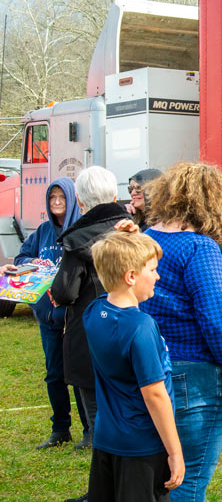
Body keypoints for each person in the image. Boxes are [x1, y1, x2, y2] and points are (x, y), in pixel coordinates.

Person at [138, 162, 222, 502]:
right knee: (188, 478)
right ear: (212, 203)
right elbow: (215, 319)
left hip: (155, 369)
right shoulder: (198, 248)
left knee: (165, 472)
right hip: (198, 377)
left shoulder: (147, 240)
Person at [51, 166, 133, 502]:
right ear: (115, 197)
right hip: (130, 330)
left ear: (81, 203)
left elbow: (66, 292)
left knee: (100, 420)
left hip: (90, 334)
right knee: (127, 416)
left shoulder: (77, 240)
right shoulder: (133, 231)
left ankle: (103, 493)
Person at [85, 230, 184, 501]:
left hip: (107, 438)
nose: (158, 276)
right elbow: (154, 394)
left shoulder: (93, 311)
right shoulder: (141, 327)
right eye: (152, 270)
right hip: (142, 447)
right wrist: (175, 453)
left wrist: (127, 241)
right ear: (130, 277)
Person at [1, 178, 87, 450]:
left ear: (73, 199)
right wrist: (32, 262)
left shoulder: (81, 230)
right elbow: (21, 258)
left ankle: (89, 431)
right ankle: (60, 429)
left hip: (73, 319)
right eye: (52, 198)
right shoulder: (42, 232)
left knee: (79, 376)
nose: (57, 202)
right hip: (47, 318)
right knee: (54, 375)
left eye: (62, 197)